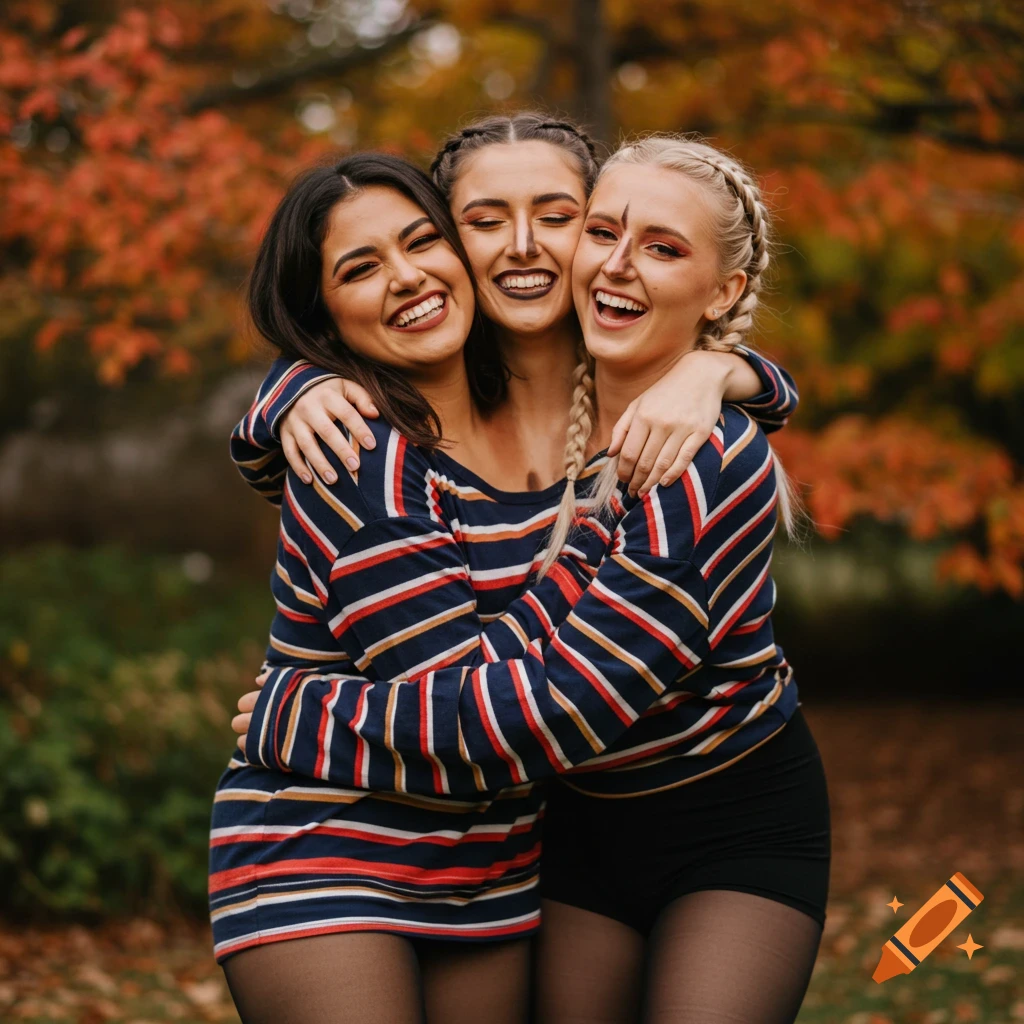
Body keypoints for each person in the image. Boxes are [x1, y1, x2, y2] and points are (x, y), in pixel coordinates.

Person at [228, 129, 828, 1024]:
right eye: (482, 219)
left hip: (665, 810)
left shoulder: (666, 418)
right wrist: (290, 391)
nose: (522, 245)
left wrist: (724, 367)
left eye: (557, 216)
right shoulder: (378, 427)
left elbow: (548, 704)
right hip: (511, 825)